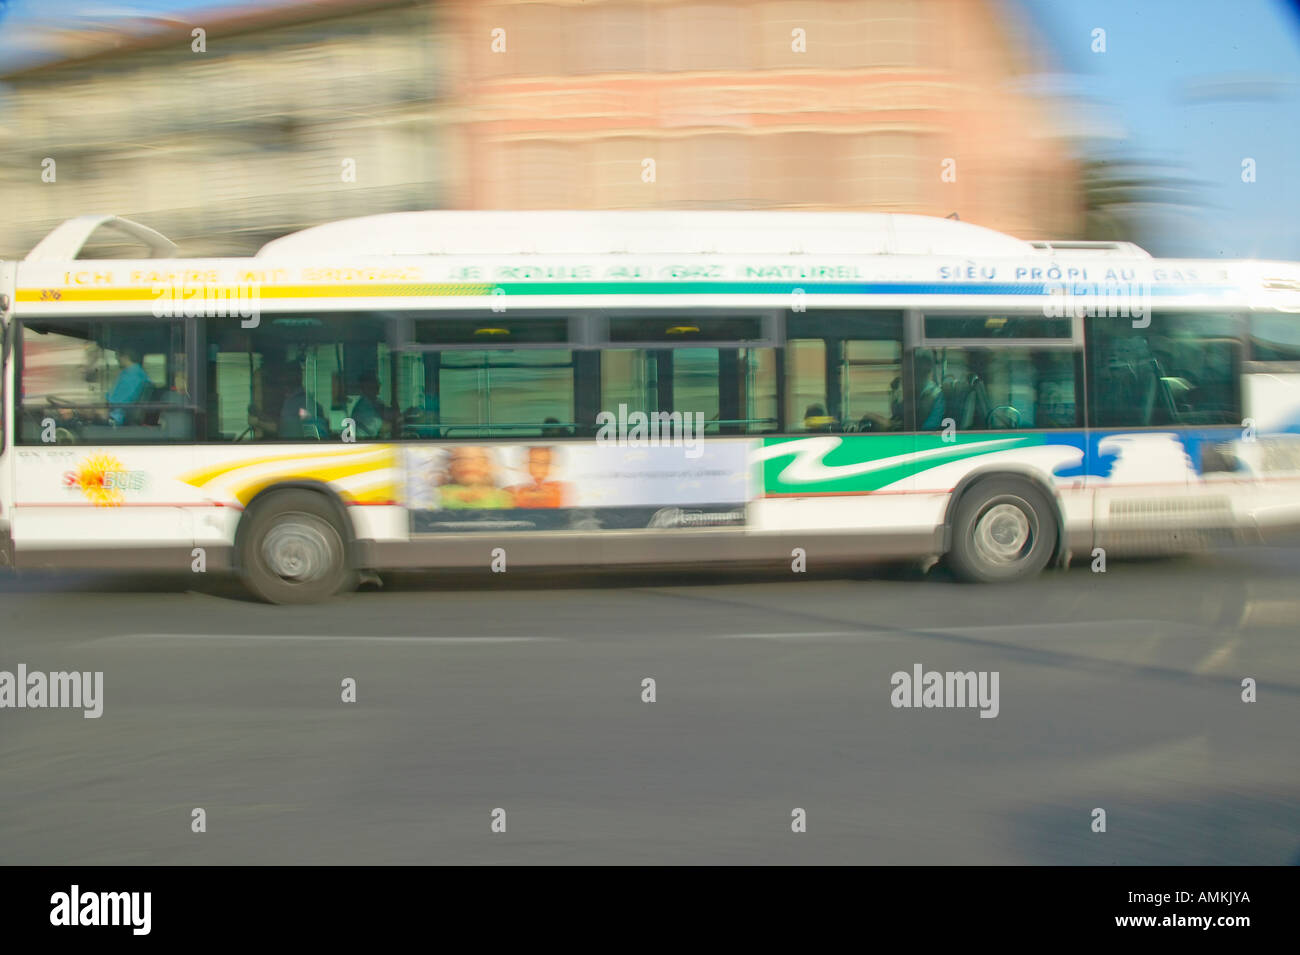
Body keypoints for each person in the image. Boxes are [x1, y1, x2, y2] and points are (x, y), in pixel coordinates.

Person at [438, 447, 514, 509]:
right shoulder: (441, 494)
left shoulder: (502, 497)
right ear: (450, 469)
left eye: (479, 459)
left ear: (488, 467)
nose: (468, 464)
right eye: (459, 459)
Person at [277, 363, 329, 440]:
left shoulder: (300, 403)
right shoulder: (290, 401)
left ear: (298, 377)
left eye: (287, 375)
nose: (283, 379)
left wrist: (258, 422)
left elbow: (286, 428)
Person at [106, 345, 152, 426]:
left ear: (125, 357)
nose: (116, 359)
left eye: (117, 355)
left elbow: (117, 403)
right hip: (116, 413)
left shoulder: (132, 375)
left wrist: (97, 410)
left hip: (116, 418)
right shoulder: (136, 372)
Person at [349, 372, 387, 439]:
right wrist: (402, 419)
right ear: (367, 386)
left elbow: (389, 414)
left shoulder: (377, 402)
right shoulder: (362, 408)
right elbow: (383, 428)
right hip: (363, 445)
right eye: (376, 382)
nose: (379, 384)